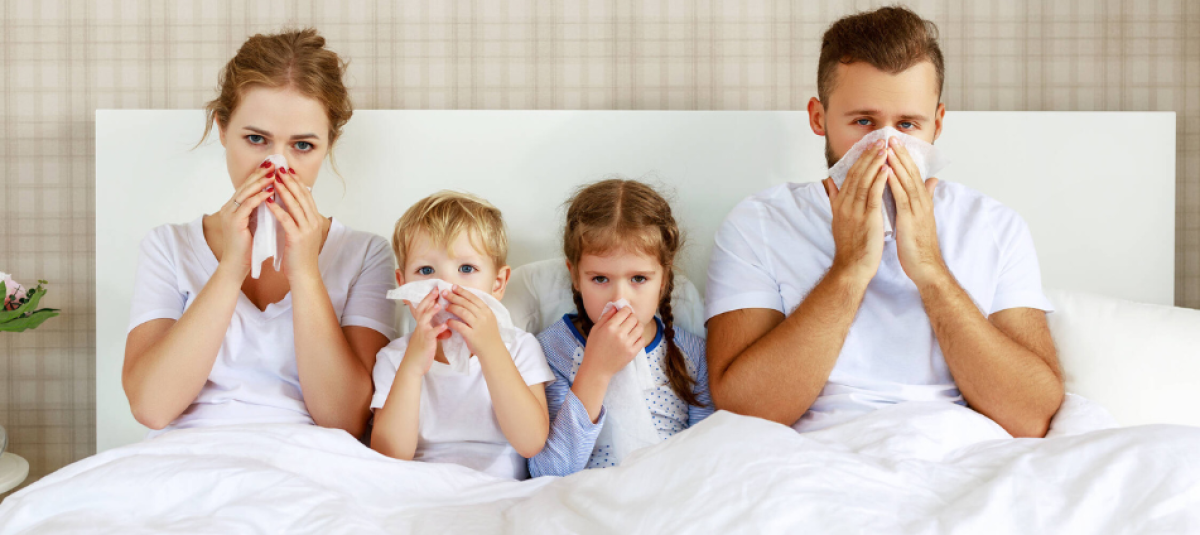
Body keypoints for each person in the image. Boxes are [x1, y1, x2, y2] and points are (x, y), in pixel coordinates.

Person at [704, 7, 1063, 438]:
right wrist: (849, 268)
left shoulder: (994, 226)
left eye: (907, 124)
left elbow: (1031, 416)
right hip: (815, 453)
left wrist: (930, 269)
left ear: (938, 124)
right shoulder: (758, 224)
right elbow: (744, 411)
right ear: (818, 117)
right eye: (864, 122)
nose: (885, 147)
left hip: (958, 448)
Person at [123, 29, 395, 439]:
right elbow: (151, 408)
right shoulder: (168, 247)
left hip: (313, 459)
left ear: (329, 144)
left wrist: (306, 272)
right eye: (255, 139)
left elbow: (345, 420)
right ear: (222, 129)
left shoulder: (365, 254)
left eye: (302, 146)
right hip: (189, 457)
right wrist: (231, 266)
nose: (276, 167)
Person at [529, 179, 712, 477]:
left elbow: (709, 457)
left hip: (671, 489)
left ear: (664, 278)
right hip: (587, 493)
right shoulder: (551, 350)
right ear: (575, 276)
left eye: (639, 279)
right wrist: (596, 370)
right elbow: (548, 471)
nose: (619, 299)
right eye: (600, 279)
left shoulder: (693, 353)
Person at [370, 191, 553, 480]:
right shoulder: (394, 358)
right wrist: (412, 367)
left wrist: (491, 350)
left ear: (497, 284)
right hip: (419, 486)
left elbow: (531, 443)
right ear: (404, 286)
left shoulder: (519, 347)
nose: (445, 286)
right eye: (426, 270)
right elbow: (389, 455)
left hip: (499, 490)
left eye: (466, 269)